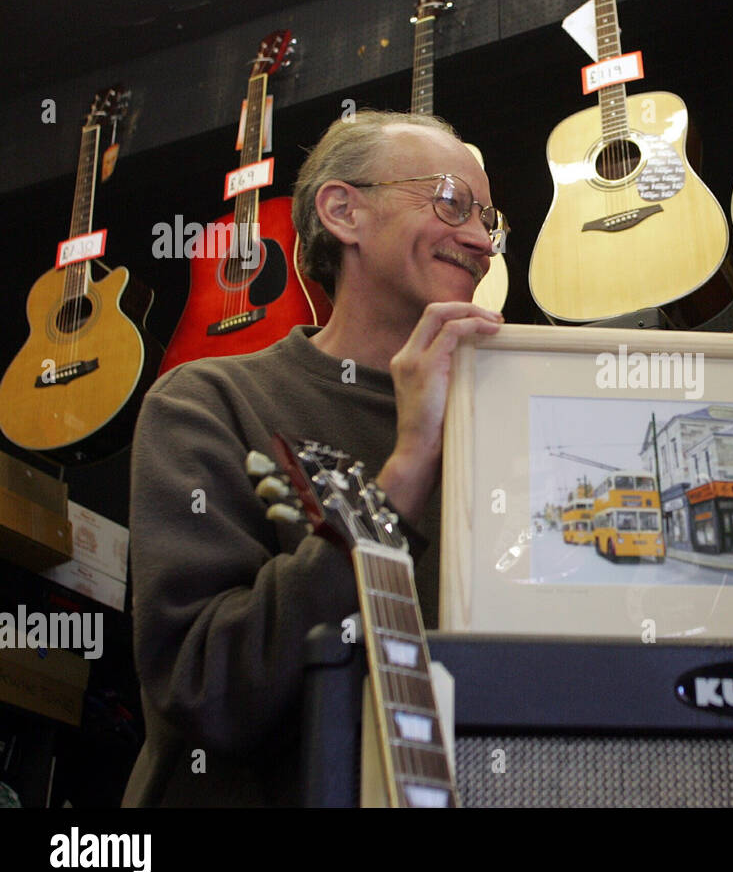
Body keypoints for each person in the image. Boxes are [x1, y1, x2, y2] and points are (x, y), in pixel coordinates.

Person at [123, 111, 504, 806]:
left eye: (488, 219)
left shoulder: (507, 417)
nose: (481, 240)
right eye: (452, 202)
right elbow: (205, 687)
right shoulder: (208, 403)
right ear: (343, 210)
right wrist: (408, 464)